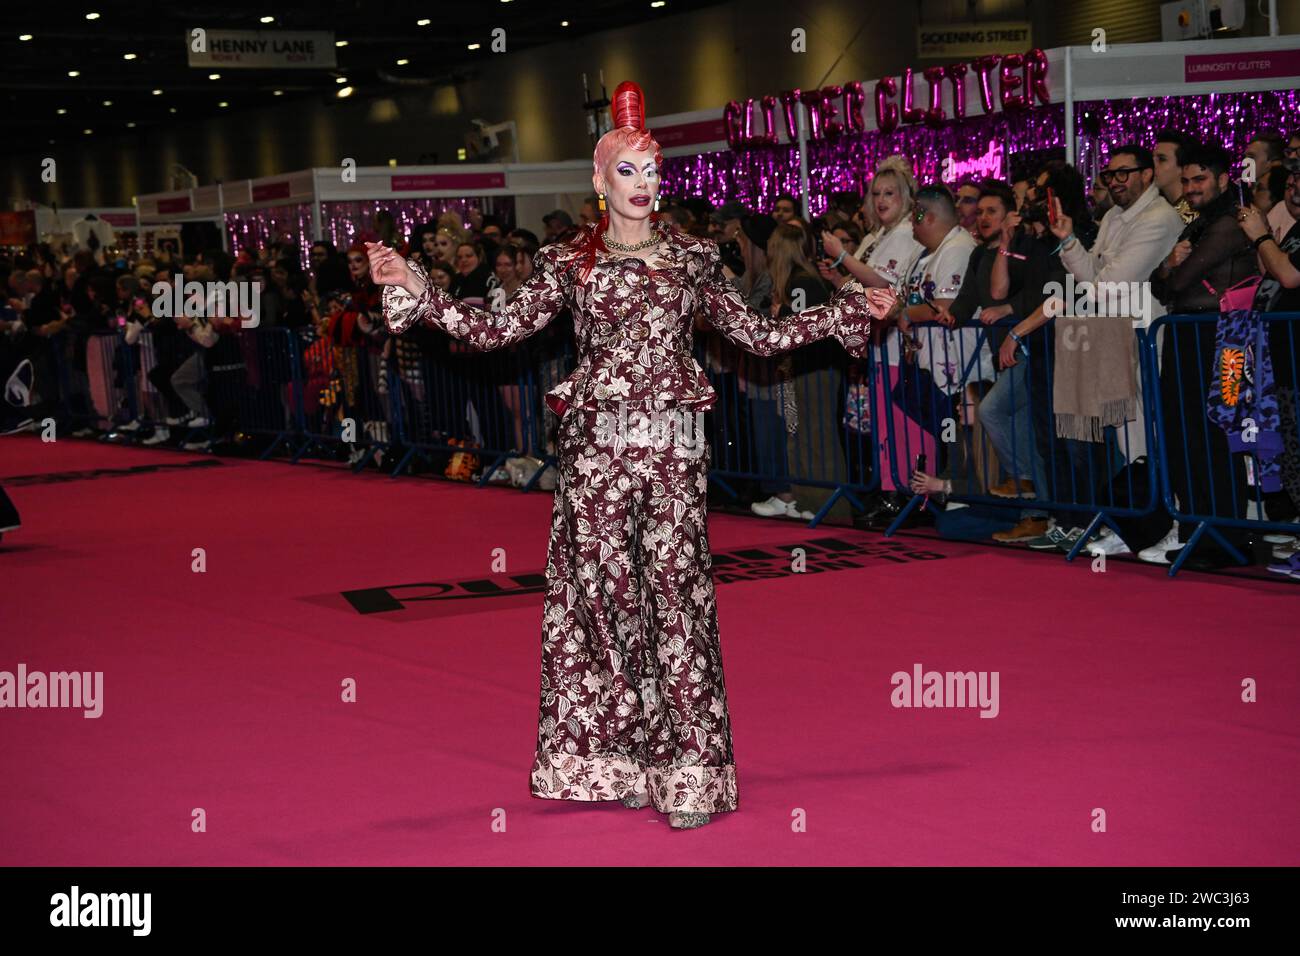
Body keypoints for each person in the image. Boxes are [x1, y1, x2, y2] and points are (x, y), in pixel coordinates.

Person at [367, 80, 879, 831]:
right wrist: (418, 286)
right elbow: (496, 330)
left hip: (673, 452)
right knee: (603, 607)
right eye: (629, 172)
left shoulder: (695, 261)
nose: (646, 186)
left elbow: (757, 339)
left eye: (655, 171)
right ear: (600, 181)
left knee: (677, 603)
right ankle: (621, 761)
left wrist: (842, 315)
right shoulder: (567, 263)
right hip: (596, 456)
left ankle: (692, 772)